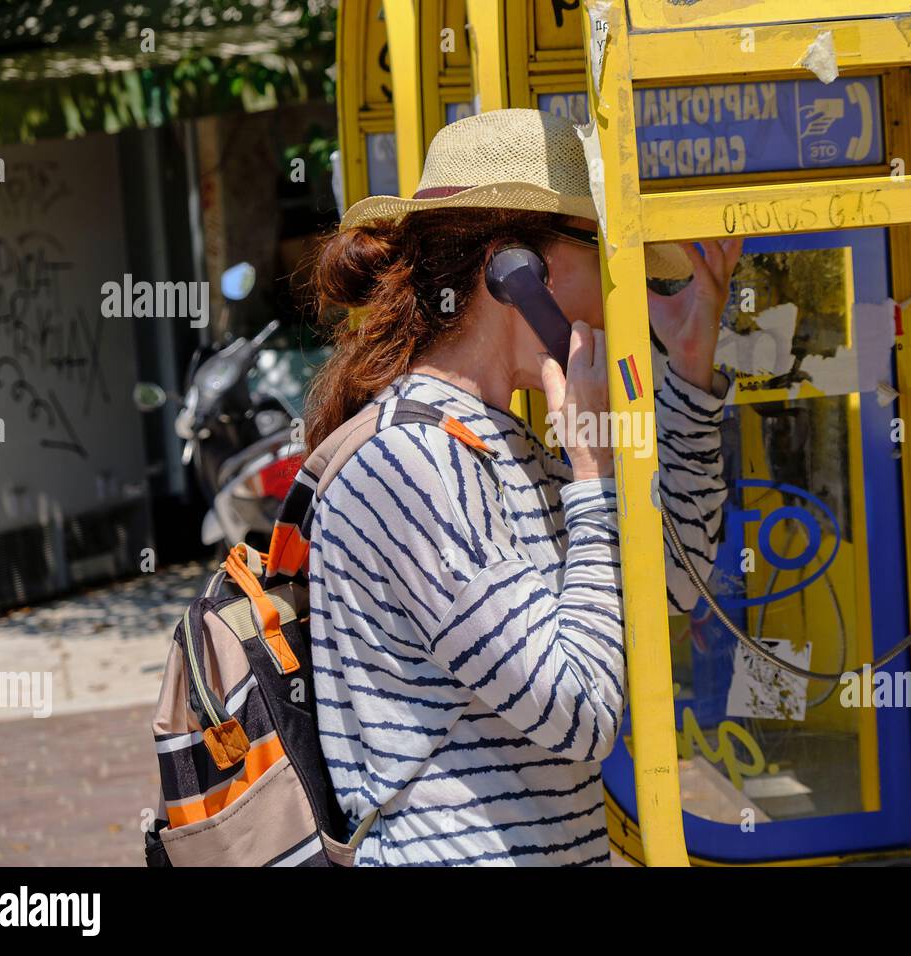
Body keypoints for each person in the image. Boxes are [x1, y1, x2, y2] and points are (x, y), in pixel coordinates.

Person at [305, 109, 743, 866]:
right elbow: (582, 712)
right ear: (516, 271)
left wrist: (692, 376)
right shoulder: (411, 466)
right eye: (600, 249)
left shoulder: (507, 447)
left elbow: (668, 585)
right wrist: (594, 473)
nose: (623, 280)